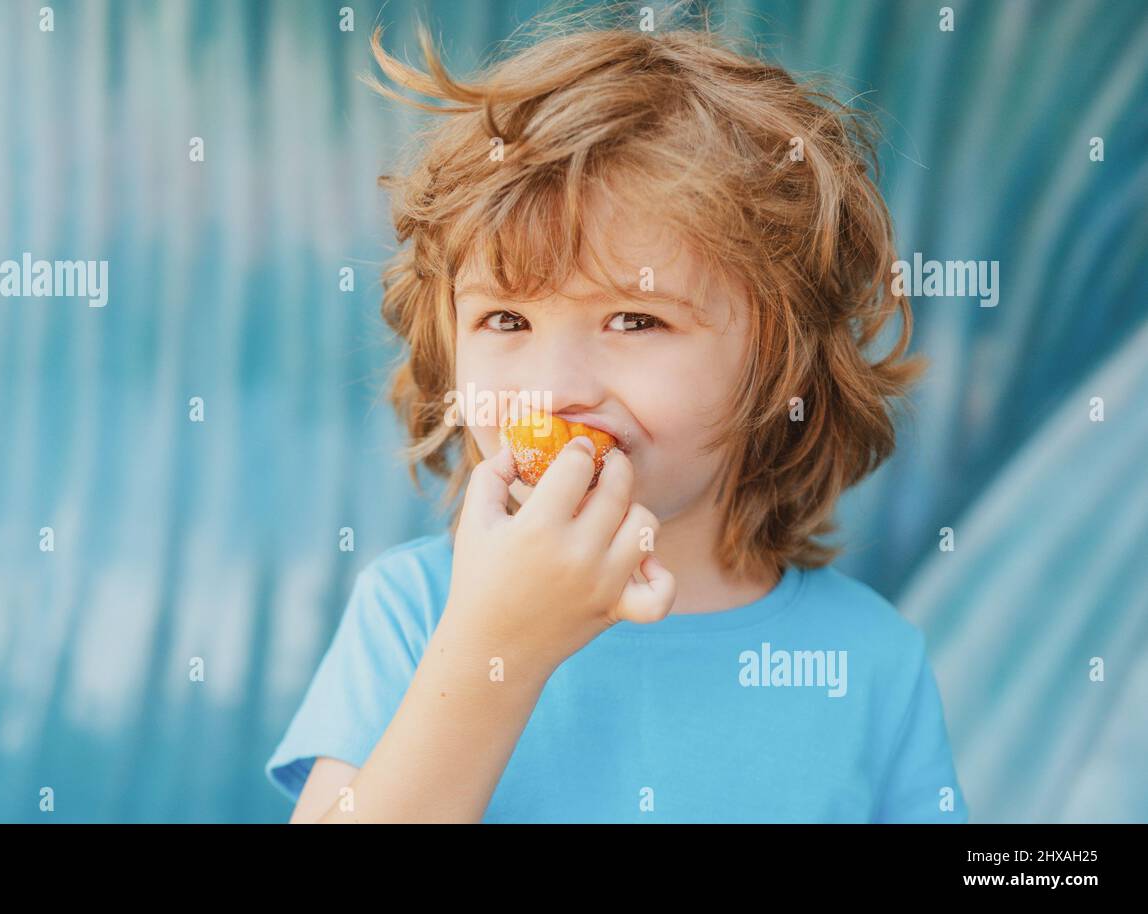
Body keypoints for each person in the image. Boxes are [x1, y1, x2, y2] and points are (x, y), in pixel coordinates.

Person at [265, 8, 968, 824]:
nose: (556, 388)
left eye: (636, 321)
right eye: (507, 321)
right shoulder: (416, 613)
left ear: (781, 365)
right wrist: (498, 651)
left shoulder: (872, 661)